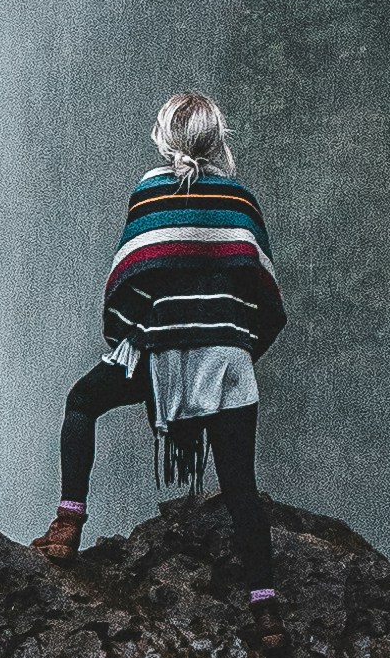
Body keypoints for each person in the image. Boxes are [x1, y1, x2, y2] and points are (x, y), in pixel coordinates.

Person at [37, 94, 288, 600]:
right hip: (225, 361)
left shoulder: (150, 191)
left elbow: (134, 278)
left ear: (166, 137)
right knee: (241, 487)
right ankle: (266, 613)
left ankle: (67, 525)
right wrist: (238, 350)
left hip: (160, 355)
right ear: (217, 139)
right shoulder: (238, 200)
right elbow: (263, 290)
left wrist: (134, 340)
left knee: (83, 401)